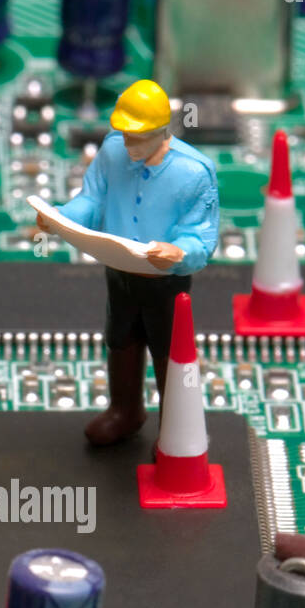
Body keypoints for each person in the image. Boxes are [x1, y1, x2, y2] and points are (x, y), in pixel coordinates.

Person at [40, 79, 219, 445]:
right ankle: (125, 411)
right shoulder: (112, 152)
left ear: (161, 131)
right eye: (124, 134)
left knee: (170, 353)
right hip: (119, 271)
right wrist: (59, 217)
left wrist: (179, 253)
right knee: (120, 338)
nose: (128, 143)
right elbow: (91, 200)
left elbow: (202, 235)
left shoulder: (194, 174)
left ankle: (174, 430)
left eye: (137, 137)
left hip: (164, 279)